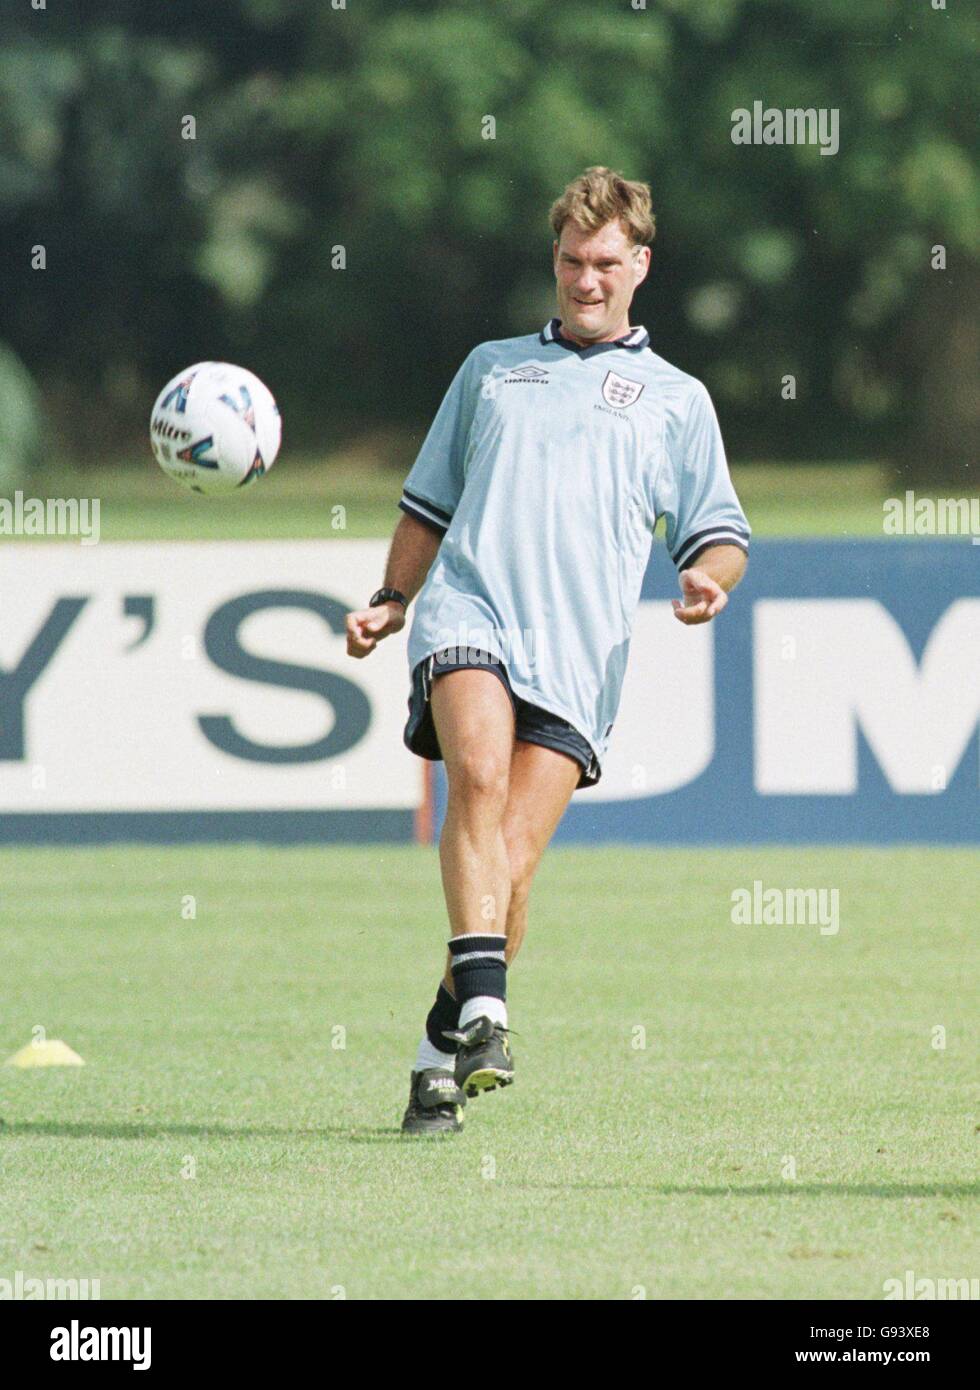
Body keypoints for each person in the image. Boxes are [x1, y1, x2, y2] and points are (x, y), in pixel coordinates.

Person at [346, 167, 750, 1135]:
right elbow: (425, 503)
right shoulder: (489, 368)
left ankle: (437, 1047)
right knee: (475, 780)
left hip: (579, 652)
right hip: (468, 613)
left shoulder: (674, 398)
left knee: (511, 869)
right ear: (554, 261)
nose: (584, 279)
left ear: (638, 265)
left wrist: (709, 581)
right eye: (569, 261)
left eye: (604, 262)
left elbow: (716, 529)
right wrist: (392, 597)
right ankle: (488, 1010)